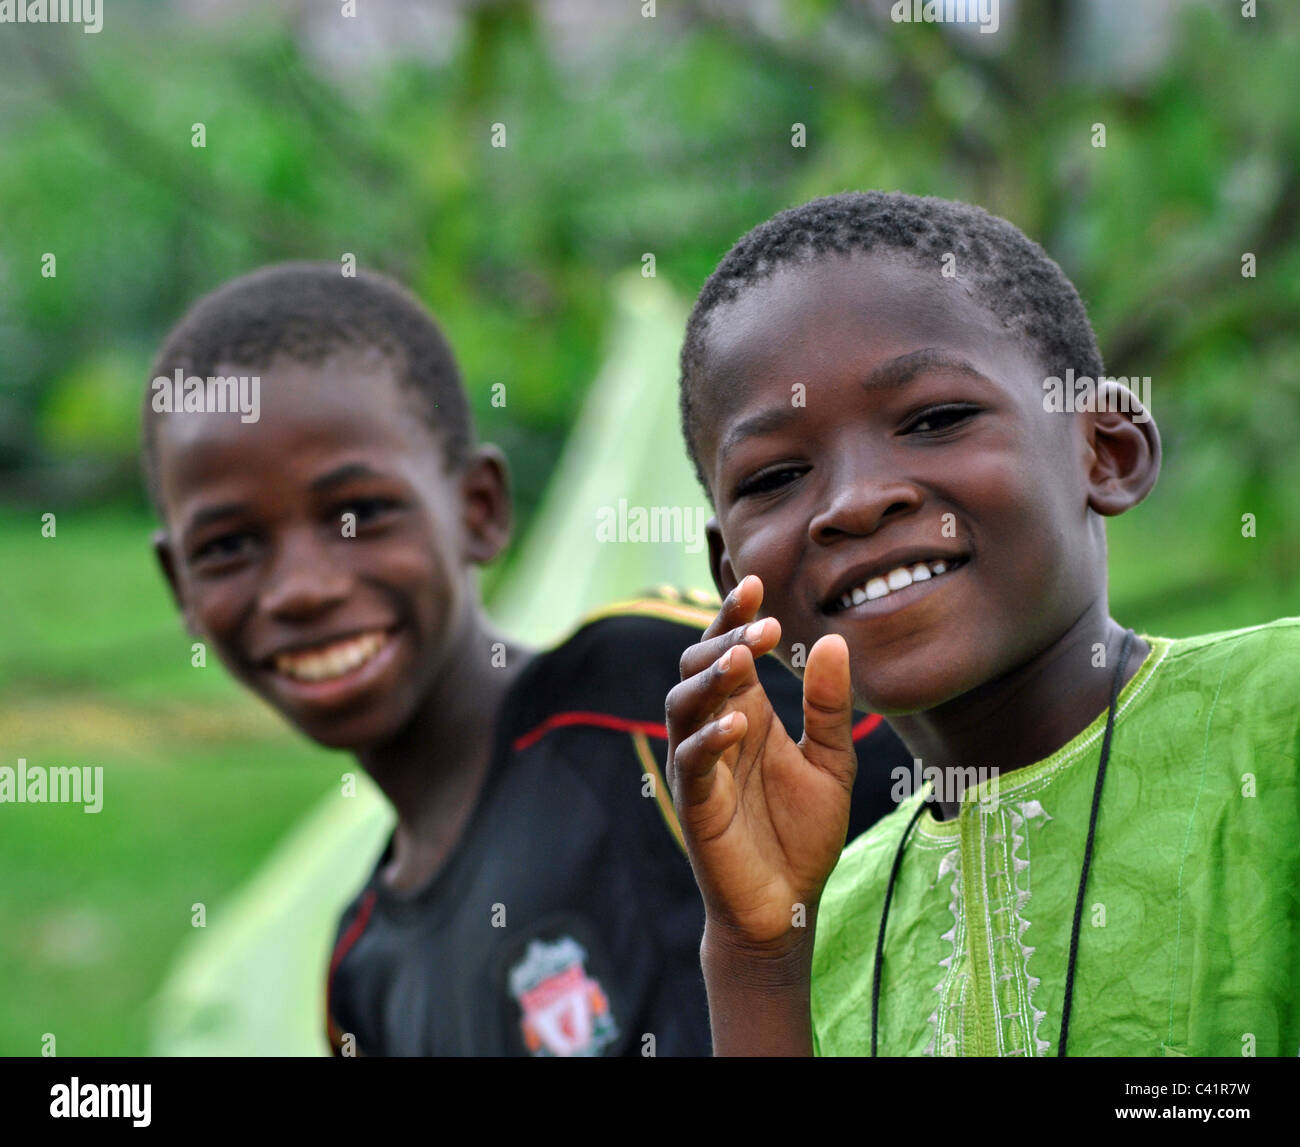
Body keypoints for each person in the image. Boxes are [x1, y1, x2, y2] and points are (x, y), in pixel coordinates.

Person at [142, 262, 910, 1056]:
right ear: (182, 587)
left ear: (480, 509)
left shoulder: (667, 693)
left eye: (359, 513)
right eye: (229, 546)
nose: (301, 589)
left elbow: (965, 838)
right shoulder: (360, 976)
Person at [664, 191, 1300, 1057]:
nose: (854, 500)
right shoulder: (823, 919)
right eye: (775, 476)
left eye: (936, 419)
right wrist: (757, 958)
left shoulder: (1280, 726)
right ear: (731, 575)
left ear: (1106, 452)